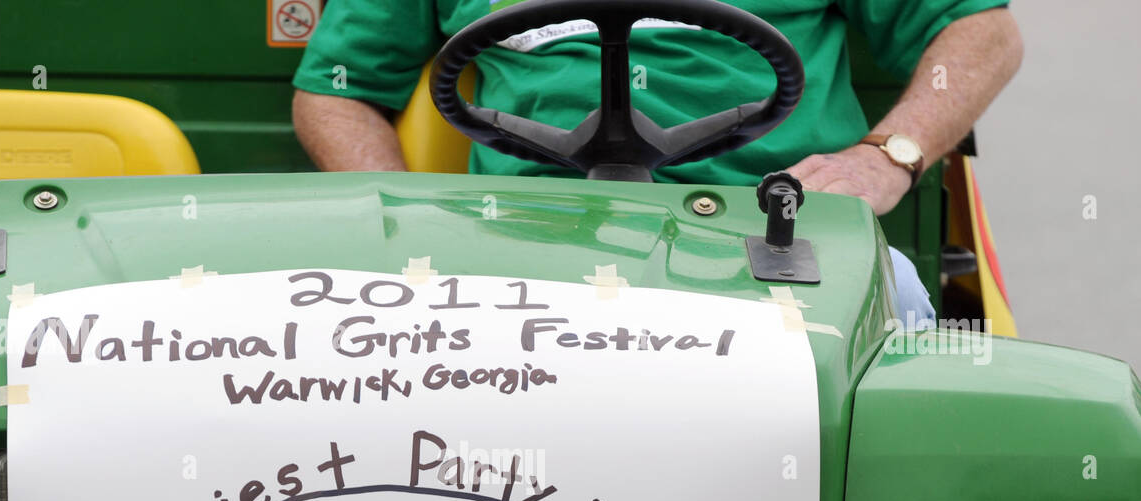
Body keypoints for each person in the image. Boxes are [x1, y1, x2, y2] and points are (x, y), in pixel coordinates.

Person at [291, 1, 1023, 324]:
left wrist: (885, 156)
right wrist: (413, 228)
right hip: (523, 233)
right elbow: (337, 90)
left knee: (888, 316)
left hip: (770, 224)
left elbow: (983, 31)